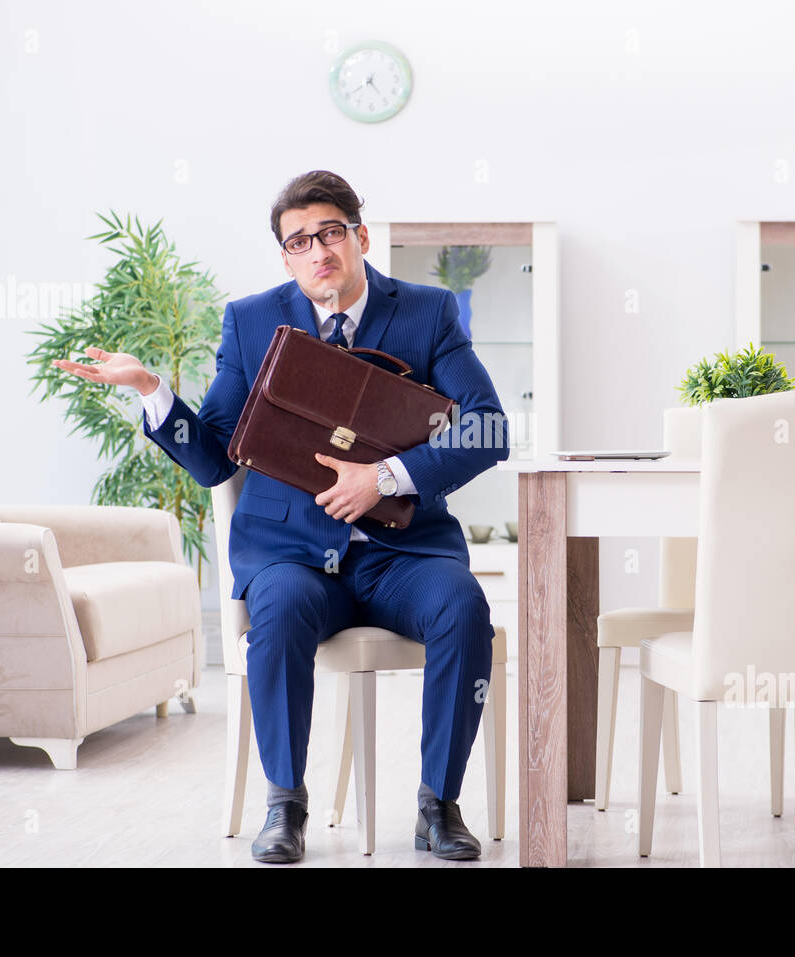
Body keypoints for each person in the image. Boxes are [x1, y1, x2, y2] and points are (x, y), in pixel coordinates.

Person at [53, 171, 509, 863]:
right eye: (299, 241)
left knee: (463, 606)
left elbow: (488, 428)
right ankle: (285, 805)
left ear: (358, 234)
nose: (317, 249)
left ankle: (437, 804)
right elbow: (214, 460)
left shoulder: (428, 311)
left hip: (405, 553)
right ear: (287, 257)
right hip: (293, 554)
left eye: (330, 232)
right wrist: (151, 389)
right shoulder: (253, 319)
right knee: (283, 604)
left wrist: (385, 476)